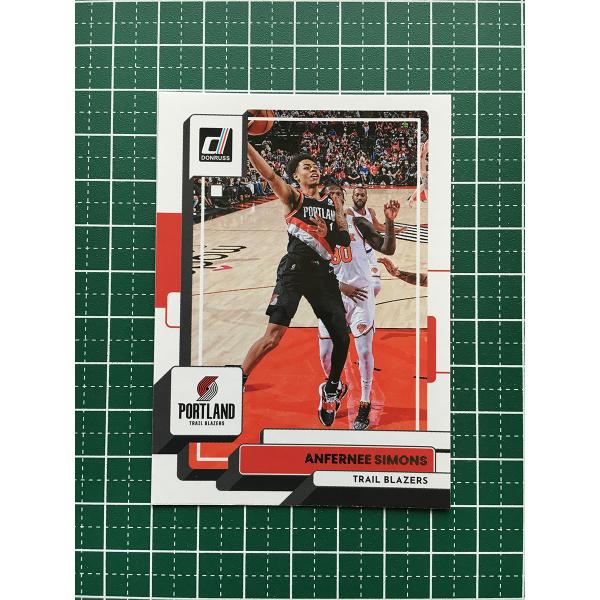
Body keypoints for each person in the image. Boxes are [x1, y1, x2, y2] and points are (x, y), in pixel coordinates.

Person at [241, 144, 352, 427]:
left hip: (323, 274)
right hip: (294, 271)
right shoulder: (293, 197)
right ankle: (239, 378)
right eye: (306, 167)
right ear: (296, 176)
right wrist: (246, 144)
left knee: (342, 337)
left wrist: (329, 233)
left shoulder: (333, 203)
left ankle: (331, 389)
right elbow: (269, 175)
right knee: (273, 337)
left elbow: (343, 240)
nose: (313, 169)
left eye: (315, 166)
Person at [317, 183, 400, 430]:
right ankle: (334, 388)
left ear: (344, 199)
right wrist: (340, 286)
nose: (334, 198)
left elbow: (388, 248)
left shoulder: (358, 222)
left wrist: (389, 222)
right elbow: (311, 270)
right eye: (329, 194)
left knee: (363, 351)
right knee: (325, 356)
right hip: (331, 297)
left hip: (360, 295)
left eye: (338, 194)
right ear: (322, 200)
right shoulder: (315, 228)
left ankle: (365, 401)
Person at [346, 186, 406, 298]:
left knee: (376, 286)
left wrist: (394, 230)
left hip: (370, 253)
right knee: (358, 288)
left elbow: (377, 226)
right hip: (356, 255)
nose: (359, 197)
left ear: (366, 197)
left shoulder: (370, 211)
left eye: (362, 195)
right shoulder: (349, 212)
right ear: (352, 197)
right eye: (357, 195)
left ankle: (368, 304)